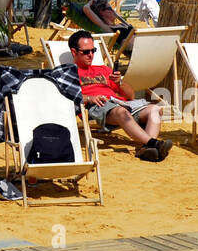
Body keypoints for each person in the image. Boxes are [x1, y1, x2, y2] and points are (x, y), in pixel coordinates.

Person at [67, 29, 171, 162]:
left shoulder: (103, 69)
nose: (91, 55)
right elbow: (66, 95)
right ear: (74, 52)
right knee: (121, 112)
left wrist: (119, 83)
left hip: (120, 104)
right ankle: (154, 143)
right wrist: (89, 98)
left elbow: (131, 95)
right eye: (86, 52)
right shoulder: (68, 73)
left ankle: (147, 149)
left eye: (93, 50)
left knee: (155, 109)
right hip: (98, 107)